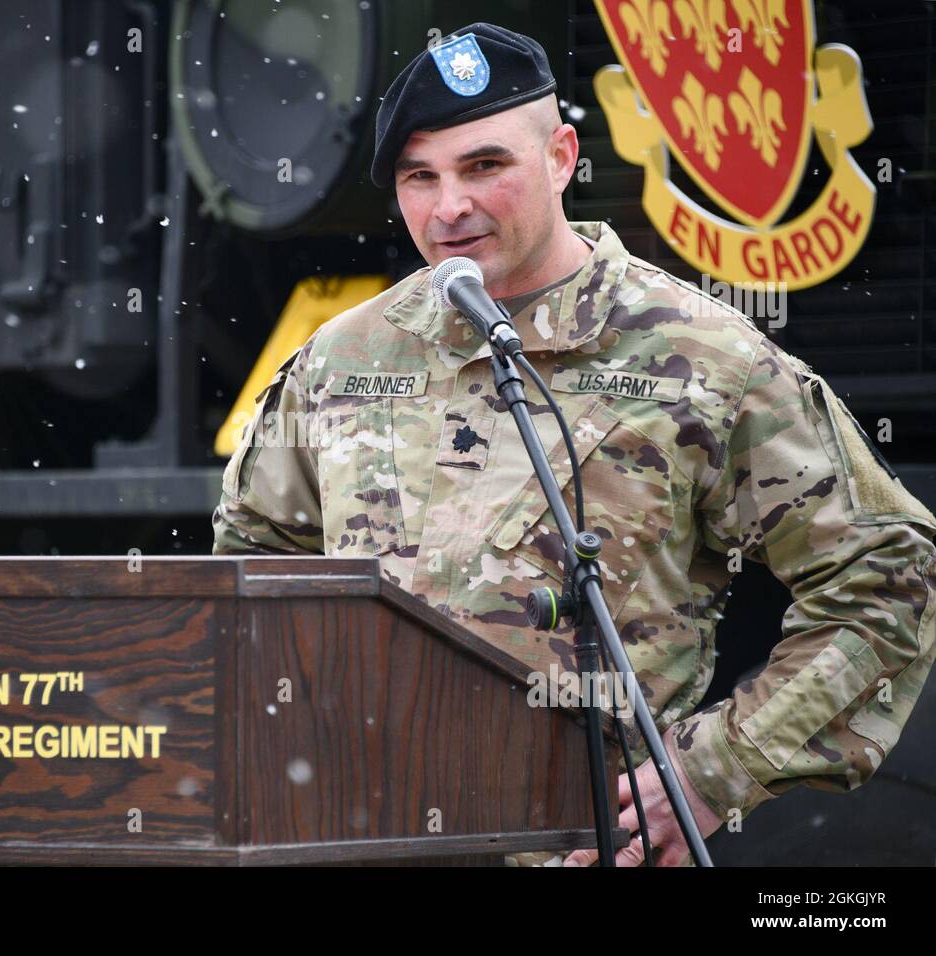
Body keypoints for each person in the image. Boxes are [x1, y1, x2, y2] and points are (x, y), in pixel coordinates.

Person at [211, 22, 936, 866]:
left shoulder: (703, 358)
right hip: (362, 842)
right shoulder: (345, 357)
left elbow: (886, 580)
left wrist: (714, 772)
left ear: (560, 156)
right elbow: (253, 578)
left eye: (485, 166)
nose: (449, 208)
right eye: (420, 177)